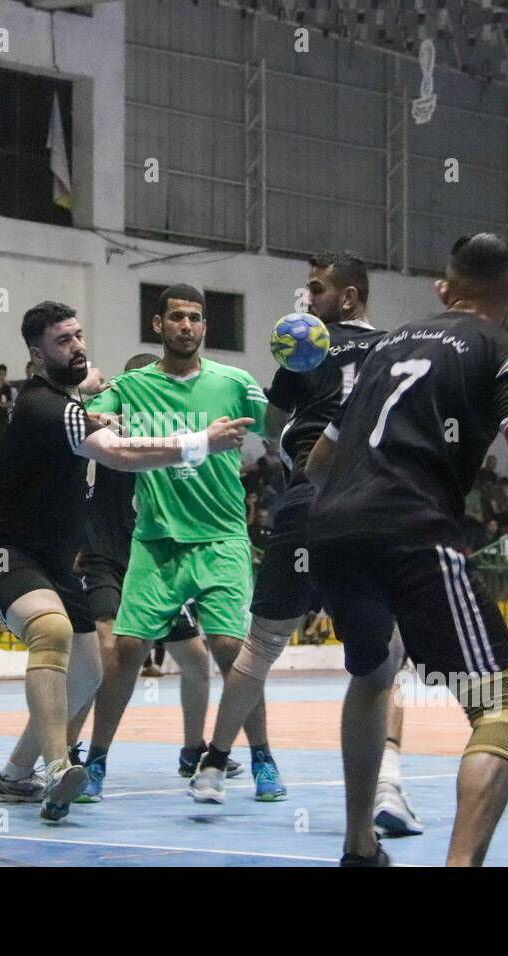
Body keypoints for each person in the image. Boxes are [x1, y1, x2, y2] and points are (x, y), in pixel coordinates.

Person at [304, 233, 508, 866]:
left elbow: (318, 462)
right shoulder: (504, 351)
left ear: (444, 289)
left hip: (331, 532)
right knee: (503, 710)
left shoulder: (385, 346)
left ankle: (359, 847)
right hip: (413, 532)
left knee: (372, 674)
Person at [0, 301, 252, 821]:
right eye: (62, 341)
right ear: (36, 356)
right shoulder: (43, 407)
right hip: (4, 554)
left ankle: (12, 776)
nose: (76, 346)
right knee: (50, 630)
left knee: (87, 675)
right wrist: (199, 443)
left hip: (55, 565)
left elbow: (98, 377)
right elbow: (120, 454)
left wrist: (97, 393)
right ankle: (59, 767)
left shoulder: (72, 395)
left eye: (78, 335)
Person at [189, 252, 420, 833]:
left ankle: (213, 767)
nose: (306, 301)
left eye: (316, 290)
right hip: (373, 502)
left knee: (262, 644)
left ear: (348, 297)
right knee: (386, 657)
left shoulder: (305, 347)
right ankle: (388, 787)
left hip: (306, 500)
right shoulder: (399, 349)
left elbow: (271, 425)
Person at [81, 285, 270, 801]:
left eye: (195, 318)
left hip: (222, 536)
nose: (186, 326)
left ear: (204, 327)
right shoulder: (131, 385)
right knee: (125, 649)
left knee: (233, 650)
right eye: (177, 318)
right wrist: (97, 413)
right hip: (157, 540)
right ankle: (95, 761)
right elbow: (89, 422)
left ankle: (260, 759)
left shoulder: (236, 383)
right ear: (158, 325)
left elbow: (286, 427)